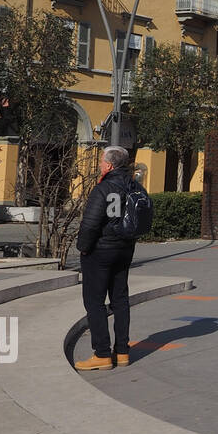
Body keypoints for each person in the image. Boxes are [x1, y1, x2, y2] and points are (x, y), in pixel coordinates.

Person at [74, 146, 145, 372]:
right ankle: (122, 351)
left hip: (101, 250)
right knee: (120, 299)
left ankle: (102, 354)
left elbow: (91, 223)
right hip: (125, 249)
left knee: (94, 301)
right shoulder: (136, 186)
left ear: (109, 165)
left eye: (102, 162)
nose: (100, 166)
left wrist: (83, 248)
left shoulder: (103, 188)